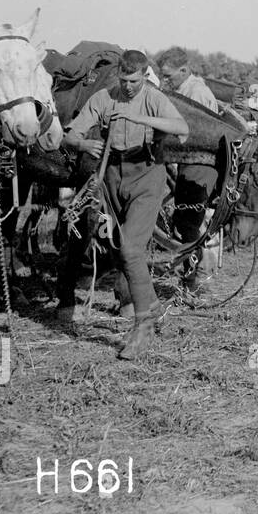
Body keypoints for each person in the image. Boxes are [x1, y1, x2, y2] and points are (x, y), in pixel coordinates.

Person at [58, 49, 189, 360]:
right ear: (118, 74)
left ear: (144, 76)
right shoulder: (104, 98)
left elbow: (182, 128)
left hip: (146, 175)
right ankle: (152, 303)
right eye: (124, 79)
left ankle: (144, 323)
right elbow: (69, 134)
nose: (128, 86)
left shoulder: (153, 97)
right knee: (119, 249)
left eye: (134, 80)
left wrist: (138, 117)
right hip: (112, 176)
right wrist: (83, 142)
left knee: (130, 248)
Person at [157, 48, 221, 298]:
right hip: (190, 160)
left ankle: (195, 282)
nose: (165, 81)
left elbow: (194, 134)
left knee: (190, 222)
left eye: (168, 76)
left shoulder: (197, 93)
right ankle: (192, 277)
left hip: (201, 164)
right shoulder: (184, 89)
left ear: (184, 70)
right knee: (185, 222)